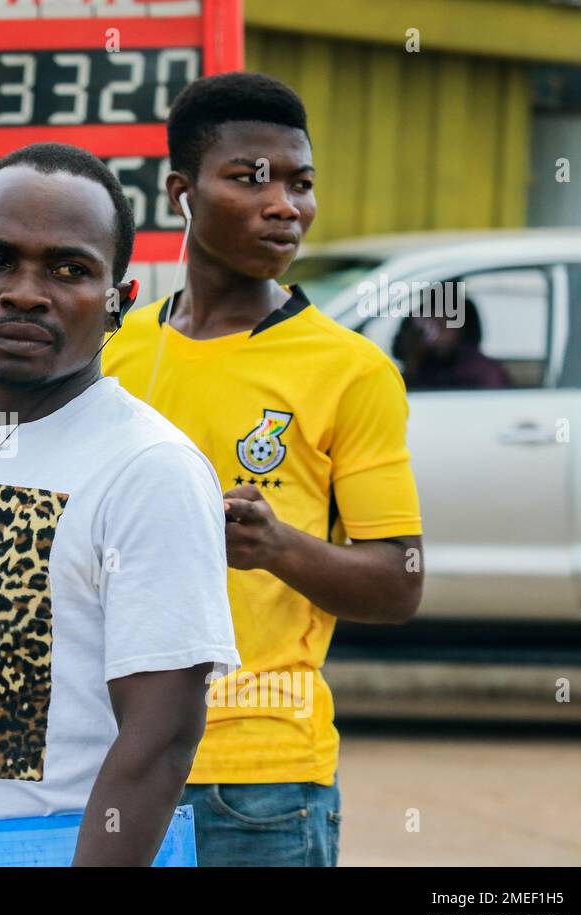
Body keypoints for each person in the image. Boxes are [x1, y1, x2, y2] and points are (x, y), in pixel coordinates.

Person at [102, 72, 424, 866]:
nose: (284, 204)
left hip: (259, 784)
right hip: (112, 767)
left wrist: (278, 546)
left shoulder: (351, 371)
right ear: (181, 191)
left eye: (300, 183)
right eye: (250, 178)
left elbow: (400, 581)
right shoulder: (117, 351)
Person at [0, 143, 241, 866]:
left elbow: (161, 741)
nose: (25, 291)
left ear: (121, 301)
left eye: (69, 269)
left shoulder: (151, 470)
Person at [395, 299, 510, 391]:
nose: (433, 333)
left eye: (442, 324)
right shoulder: (423, 364)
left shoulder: (483, 370)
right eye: (428, 326)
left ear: (460, 329)